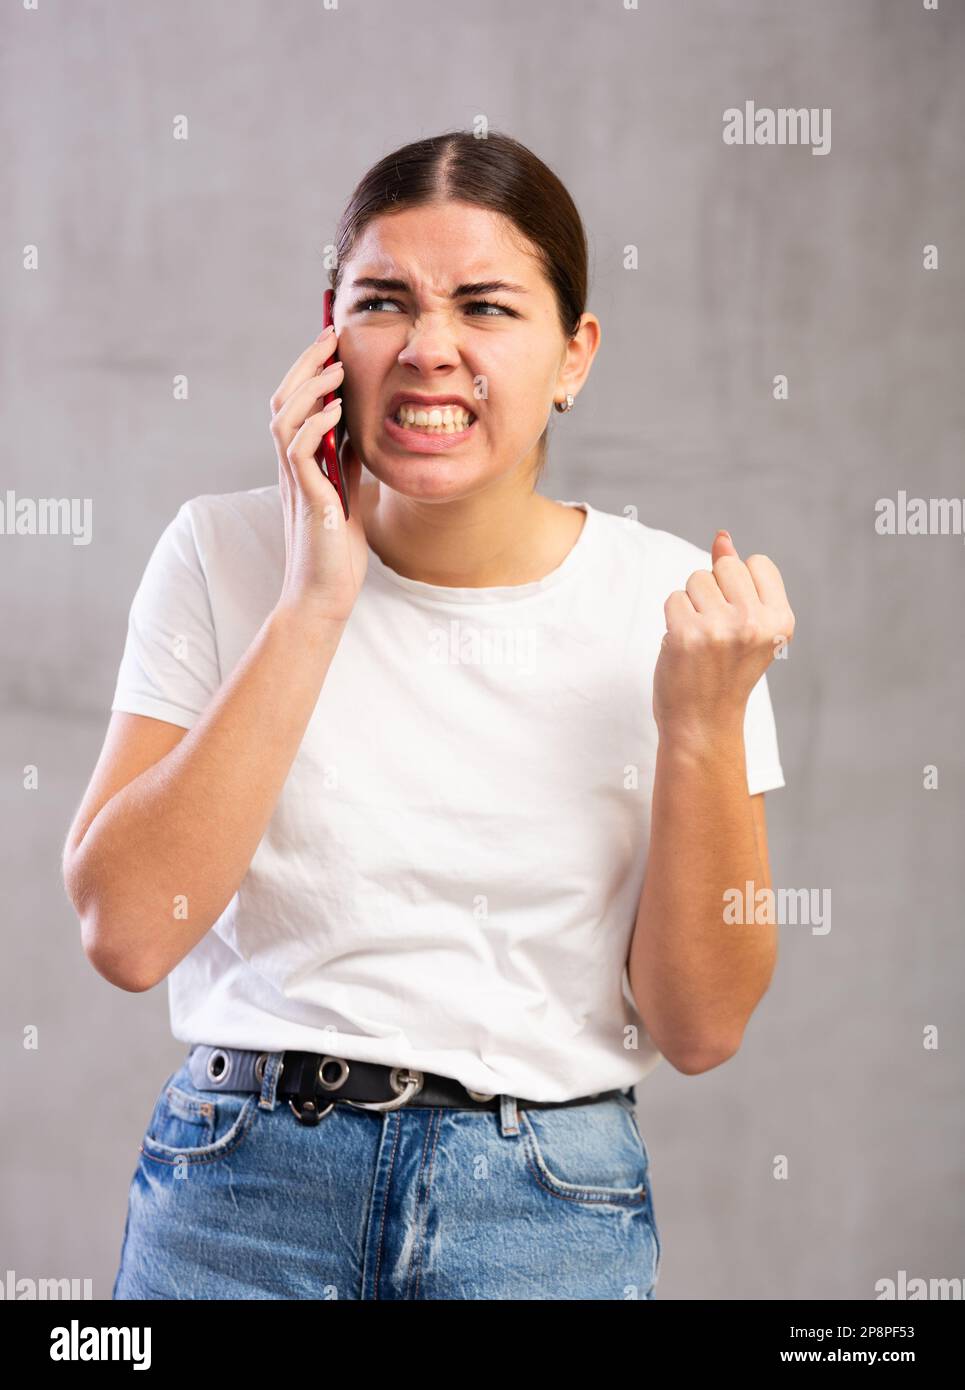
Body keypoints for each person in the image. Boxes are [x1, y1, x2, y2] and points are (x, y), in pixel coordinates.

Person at [62, 129, 794, 1301]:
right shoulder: (223, 551)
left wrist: (701, 725)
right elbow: (128, 933)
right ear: (329, 330)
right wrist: (313, 601)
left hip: (543, 1207)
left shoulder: (673, 609)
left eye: (487, 308)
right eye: (384, 301)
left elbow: (699, 1025)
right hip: (240, 1191)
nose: (428, 349)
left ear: (572, 355)